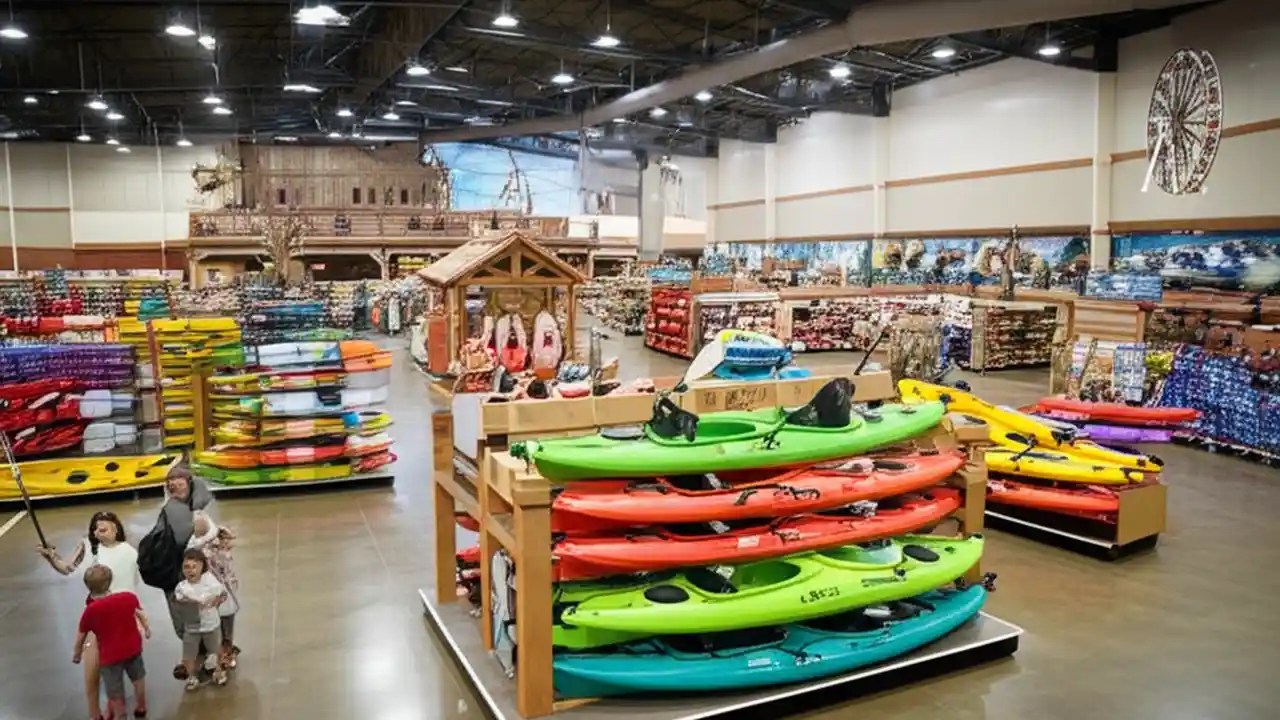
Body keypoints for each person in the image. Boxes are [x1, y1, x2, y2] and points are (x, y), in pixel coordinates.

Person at [38, 511, 139, 720]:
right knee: (92, 666)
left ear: (115, 529)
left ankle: (115, 705)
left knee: (120, 667)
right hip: (100, 615)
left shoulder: (131, 546)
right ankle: (95, 713)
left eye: (103, 528)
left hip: (125, 613)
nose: (97, 532)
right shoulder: (87, 547)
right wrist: (51, 557)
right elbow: (67, 567)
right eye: (95, 528)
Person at [74, 565, 150, 720]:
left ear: (87, 585)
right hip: (133, 648)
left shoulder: (91, 610)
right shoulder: (128, 597)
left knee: (114, 689)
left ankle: (120, 715)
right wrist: (146, 628)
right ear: (110, 581)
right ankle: (141, 706)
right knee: (138, 679)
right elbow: (140, 613)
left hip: (110, 656)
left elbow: (81, 635)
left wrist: (77, 653)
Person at [188, 510, 241, 668]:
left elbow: (228, 569)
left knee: (225, 628)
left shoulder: (216, 546)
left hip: (223, 595)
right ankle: (215, 656)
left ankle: (226, 653)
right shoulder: (195, 548)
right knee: (210, 630)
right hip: (206, 597)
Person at [172, 549, 228, 691]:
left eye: (194, 566)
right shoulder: (182, 587)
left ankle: (219, 673)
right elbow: (184, 598)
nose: (190, 571)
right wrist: (202, 599)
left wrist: (218, 598)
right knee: (189, 655)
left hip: (211, 625)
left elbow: (220, 592)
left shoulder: (210, 580)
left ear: (202, 566)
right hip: (191, 627)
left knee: (216, 650)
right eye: (186, 567)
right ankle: (191, 677)